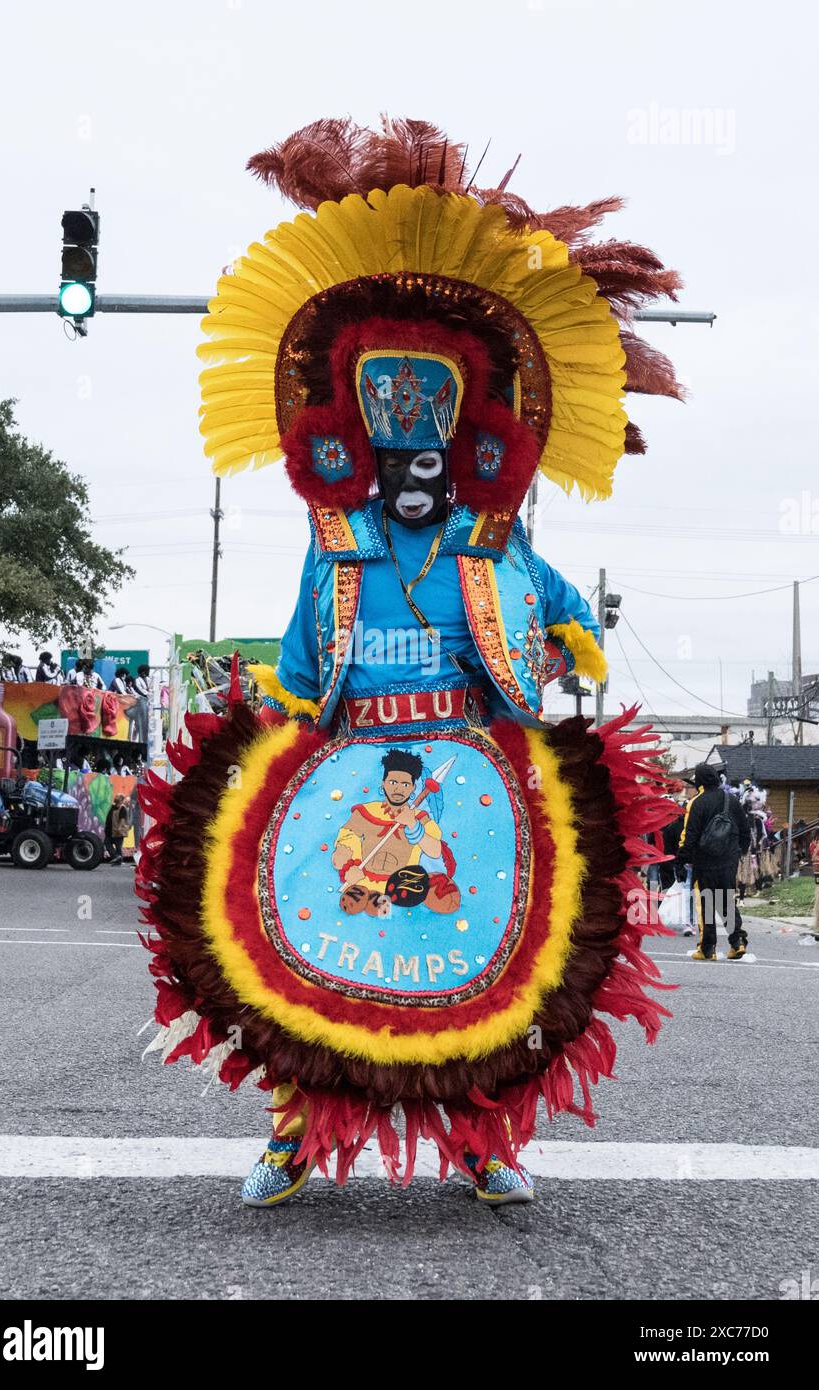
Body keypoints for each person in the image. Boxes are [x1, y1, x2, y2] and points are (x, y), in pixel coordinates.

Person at [136, 115, 683, 1208]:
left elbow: (567, 620)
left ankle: (482, 1140)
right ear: (360, 447)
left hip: (473, 775)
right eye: (391, 449)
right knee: (306, 941)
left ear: (464, 440)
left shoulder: (497, 545)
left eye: (428, 447)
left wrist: (566, 635)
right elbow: (300, 668)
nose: (410, 467)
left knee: (490, 955)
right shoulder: (334, 548)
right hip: (350, 764)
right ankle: (293, 1133)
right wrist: (273, 755)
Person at [678, 762, 751, 960]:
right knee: (726, 900)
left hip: (705, 861)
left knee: (706, 903)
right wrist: (739, 852)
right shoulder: (732, 800)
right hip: (729, 859)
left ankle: (707, 949)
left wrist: (682, 861)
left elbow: (689, 835)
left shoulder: (697, 802)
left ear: (699, 781)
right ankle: (738, 943)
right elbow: (745, 829)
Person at [106, 795, 130, 863]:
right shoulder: (113, 807)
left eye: (119, 802)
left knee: (118, 846)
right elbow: (109, 818)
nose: (118, 804)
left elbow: (122, 819)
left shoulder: (122, 808)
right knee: (107, 844)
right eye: (117, 802)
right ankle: (117, 857)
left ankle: (118, 860)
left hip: (117, 831)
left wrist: (119, 828)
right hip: (110, 830)